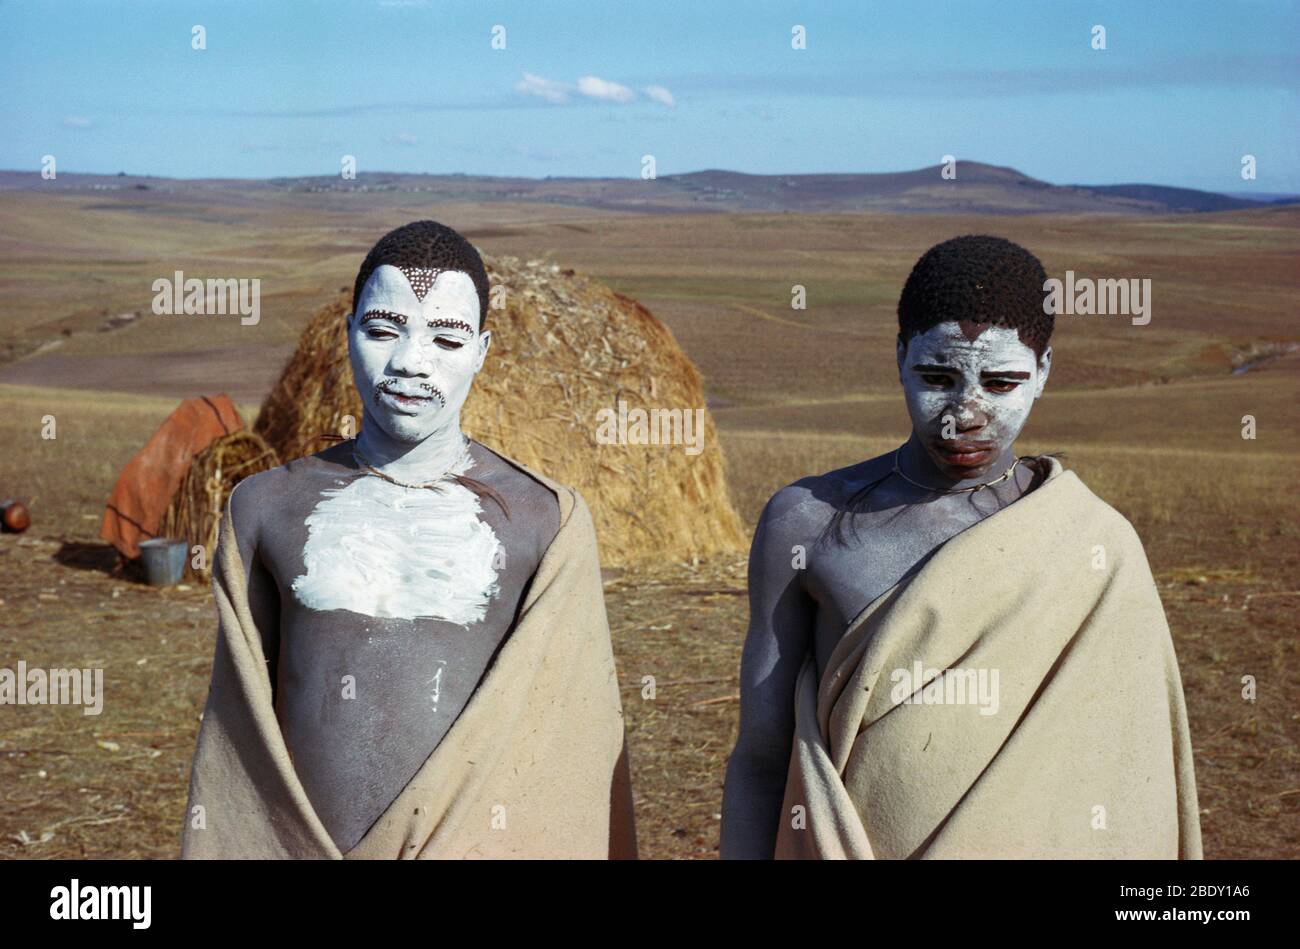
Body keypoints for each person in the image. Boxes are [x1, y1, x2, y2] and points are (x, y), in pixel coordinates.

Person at [721, 235, 1201, 859]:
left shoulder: (1094, 546)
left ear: (1044, 373)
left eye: (1001, 383)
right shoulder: (809, 522)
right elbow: (761, 758)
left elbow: (1128, 771)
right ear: (899, 357)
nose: (964, 414)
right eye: (937, 378)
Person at [182, 220, 636, 859]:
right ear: (347, 334)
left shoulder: (542, 521)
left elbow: (570, 738)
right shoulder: (266, 509)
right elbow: (241, 731)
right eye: (382, 329)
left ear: (481, 350)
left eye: (446, 339)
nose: (410, 362)